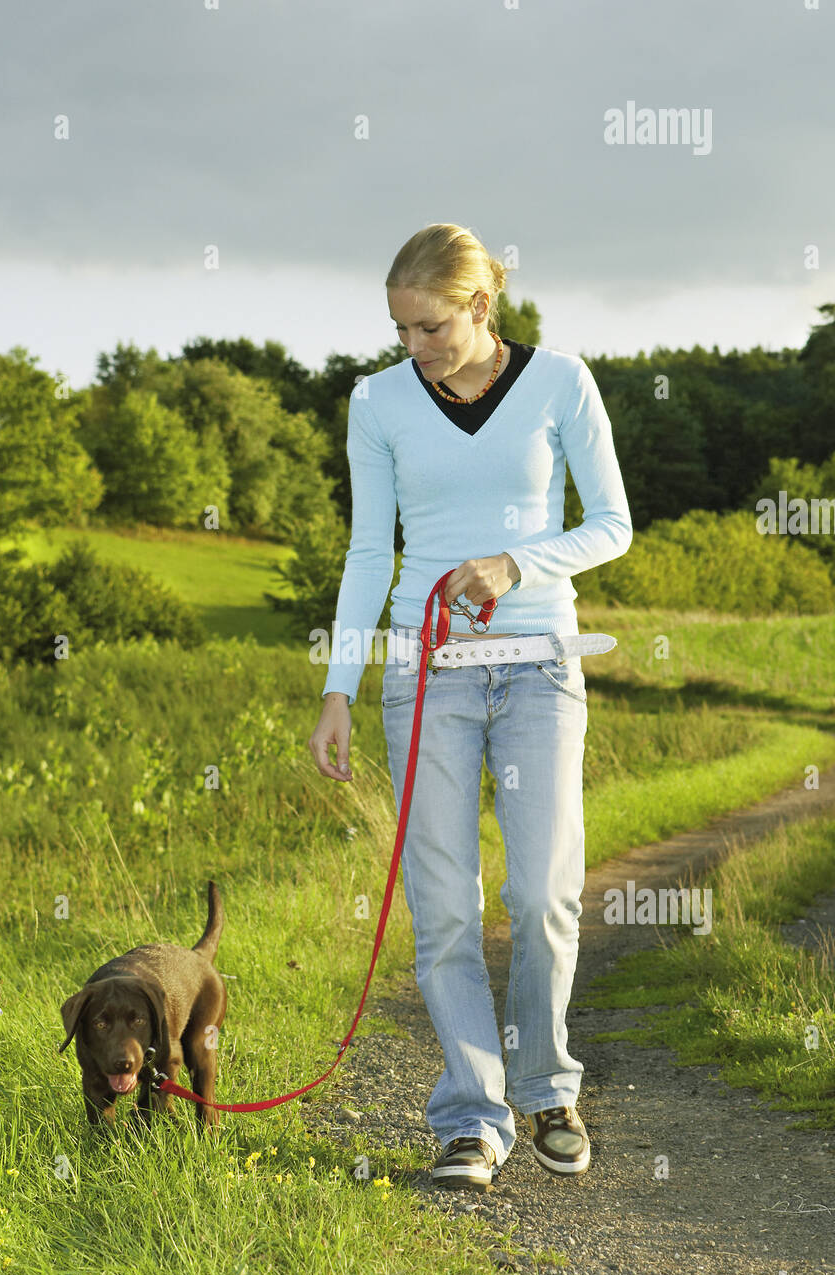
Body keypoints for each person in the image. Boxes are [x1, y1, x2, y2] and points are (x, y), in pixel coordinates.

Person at [307, 223, 632, 1190]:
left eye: (432, 327)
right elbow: (373, 552)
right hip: (424, 672)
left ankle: (546, 1090)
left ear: (480, 306)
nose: (416, 347)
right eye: (402, 329)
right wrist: (339, 686)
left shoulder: (562, 382)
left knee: (540, 896)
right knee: (444, 909)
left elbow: (611, 524)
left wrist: (516, 563)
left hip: (539, 669)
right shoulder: (376, 402)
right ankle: (469, 1118)